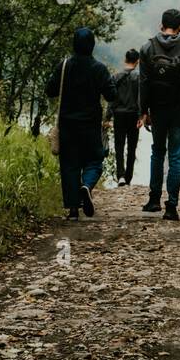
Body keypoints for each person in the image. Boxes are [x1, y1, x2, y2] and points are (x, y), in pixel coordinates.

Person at [138, 8, 180, 222]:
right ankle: (171, 206)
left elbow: (144, 83)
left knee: (157, 152)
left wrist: (143, 111)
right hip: (179, 108)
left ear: (161, 25)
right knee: (175, 157)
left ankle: (153, 199)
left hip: (157, 108)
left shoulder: (147, 47)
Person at [45, 26, 116, 221]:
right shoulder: (99, 69)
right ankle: (87, 185)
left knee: (69, 164)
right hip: (90, 125)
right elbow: (111, 94)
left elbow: (50, 90)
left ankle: (73, 210)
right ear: (92, 45)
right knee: (95, 160)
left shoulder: (64, 66)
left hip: (67, 124)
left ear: (74, 45)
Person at [109, 48, 141, 186]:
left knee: (119, 146)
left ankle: (120, 176)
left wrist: (107, 117)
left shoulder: (116, 76)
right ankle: (128, 177)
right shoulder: (139, 77)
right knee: (132, 147)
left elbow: (112, 99)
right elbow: (141, 98)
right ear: (137, 62)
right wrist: (142, 116)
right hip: (133, 115)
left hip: (119, 115)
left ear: (125, 59)